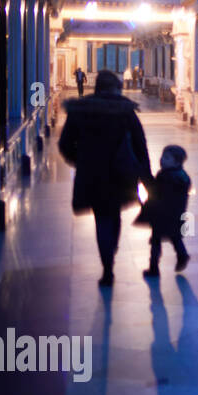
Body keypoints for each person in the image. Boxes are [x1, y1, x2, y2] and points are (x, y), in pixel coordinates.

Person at [58, 69, 153, 287]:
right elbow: (140, 146)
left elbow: (64, 144)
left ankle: (107, 267)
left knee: (101, 218)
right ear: (116, 88)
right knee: (115, 214)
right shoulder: (126, 111)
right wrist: (146, 178)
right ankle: (112, 251)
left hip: (92, 174)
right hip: (121, 173)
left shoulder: (81, 110)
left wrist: (80, 160)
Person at [138, 144, 191, 278]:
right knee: (176, 237)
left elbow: (156, 193)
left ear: (176, 161)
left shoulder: (165, 176)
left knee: (156, 241)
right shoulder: (183, 176)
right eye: (162, 156)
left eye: (166, 158)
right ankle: (182, 255)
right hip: (178, 214)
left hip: (162, 215)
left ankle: (153, 268)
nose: (162, 160)